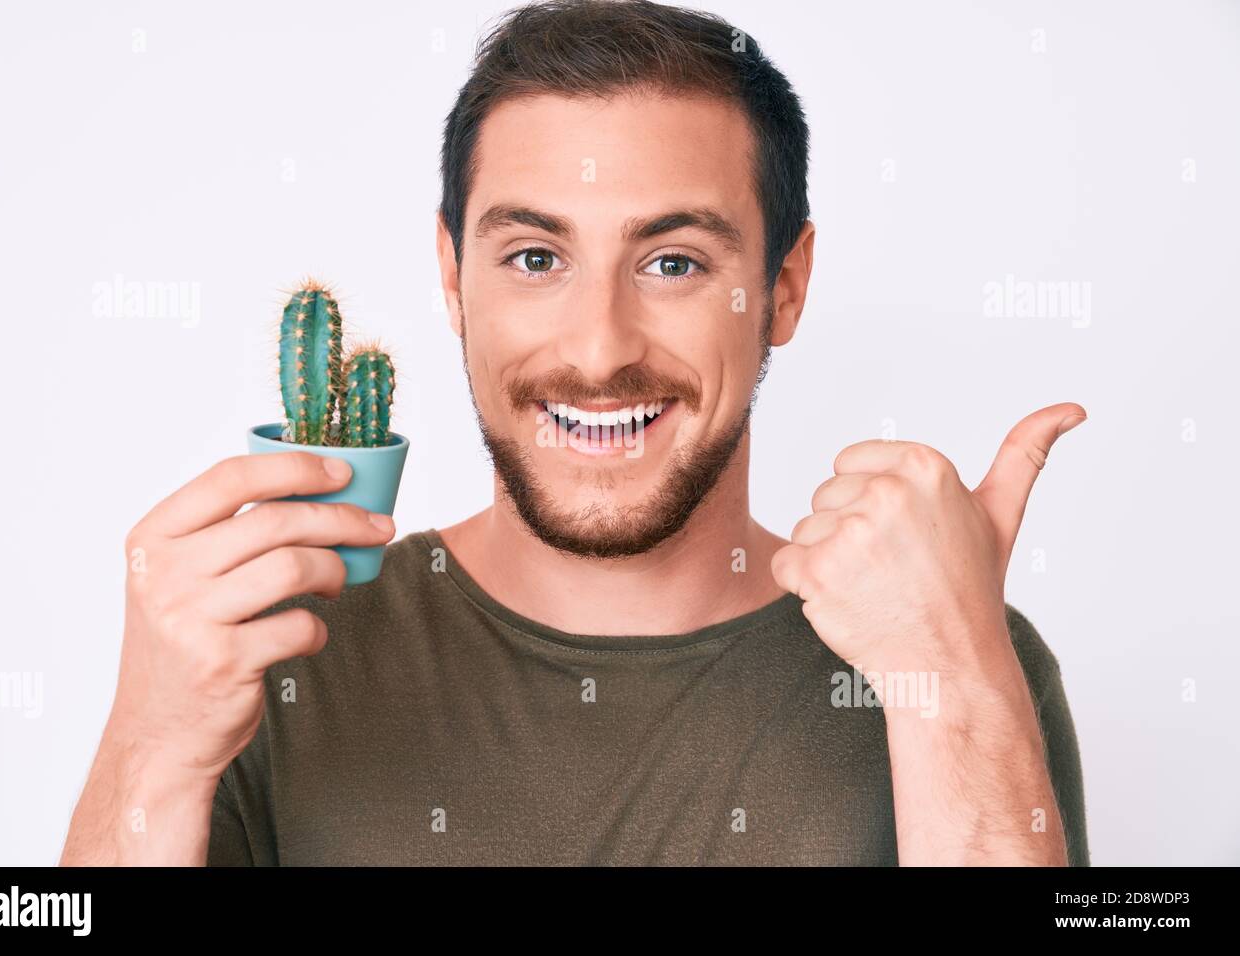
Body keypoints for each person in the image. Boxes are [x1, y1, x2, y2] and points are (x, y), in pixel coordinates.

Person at [60, 0, 1089, 866]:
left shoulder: (950, 649)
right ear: (452, 275)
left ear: (783, 286)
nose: (599, 352)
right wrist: (149, 745)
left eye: (673, 261)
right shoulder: (268, 656)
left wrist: (956, 686)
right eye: (535, 258)